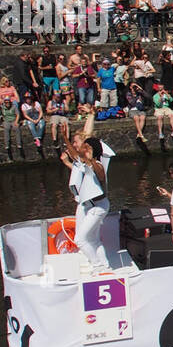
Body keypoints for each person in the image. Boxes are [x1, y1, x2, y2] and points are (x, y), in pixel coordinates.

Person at [60, 107, 114, 272]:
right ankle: (105, 266)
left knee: (81, 239)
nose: (80, 148)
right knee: (94, 239)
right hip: (90, 205)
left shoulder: (97, 164)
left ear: (90, 150)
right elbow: (74, 154)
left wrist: (91, 161)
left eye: (84, 147)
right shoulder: (83, 161)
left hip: (98, 206)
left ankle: (97, 266)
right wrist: (65, 138)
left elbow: (102, 177)